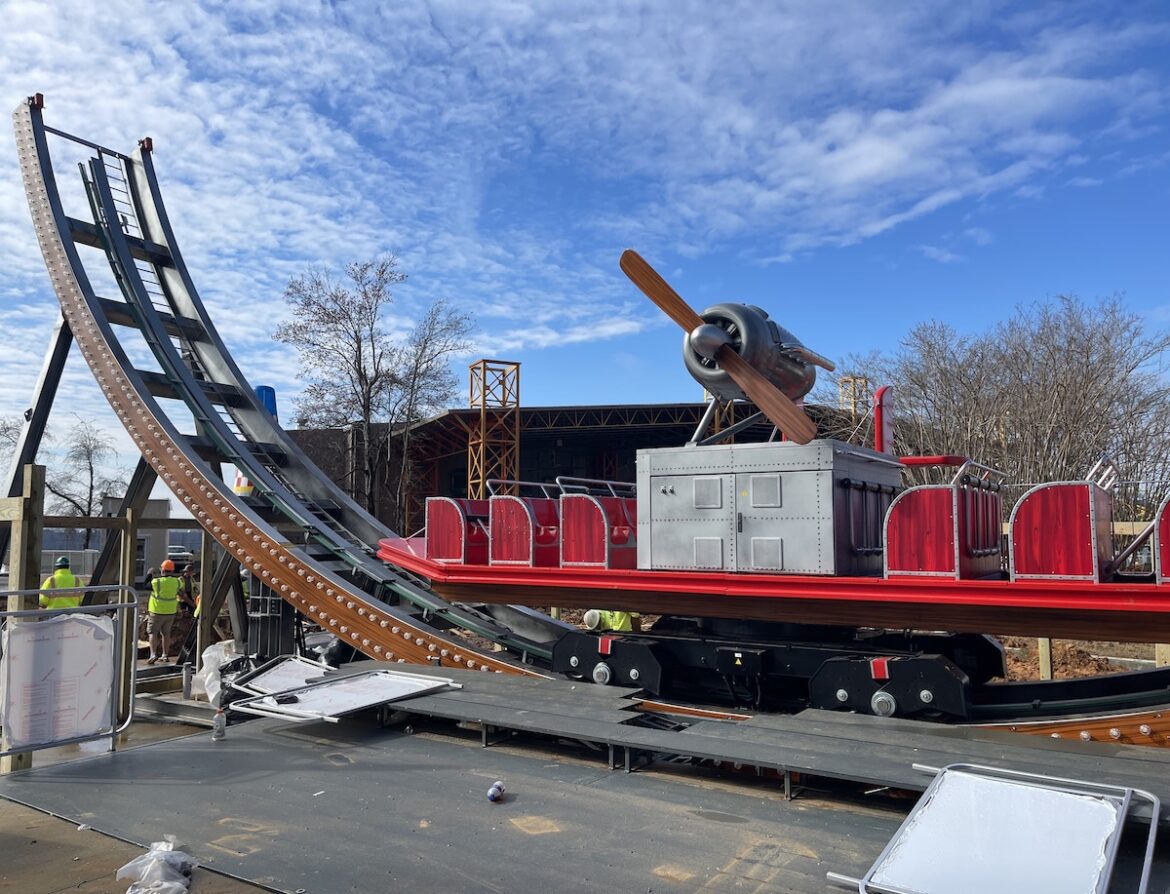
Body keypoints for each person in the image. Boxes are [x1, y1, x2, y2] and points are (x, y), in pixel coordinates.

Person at [147, 559, 182, 664]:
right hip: (170, 612)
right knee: (166, 634)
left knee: (153, 632)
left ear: (162, 570)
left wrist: (149, 574)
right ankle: (165, 655)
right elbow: (181, 589)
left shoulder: (156, 582)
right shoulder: (177, 581)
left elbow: (146, 586)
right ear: (172, 570)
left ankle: (153, 654)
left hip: (156, 611)